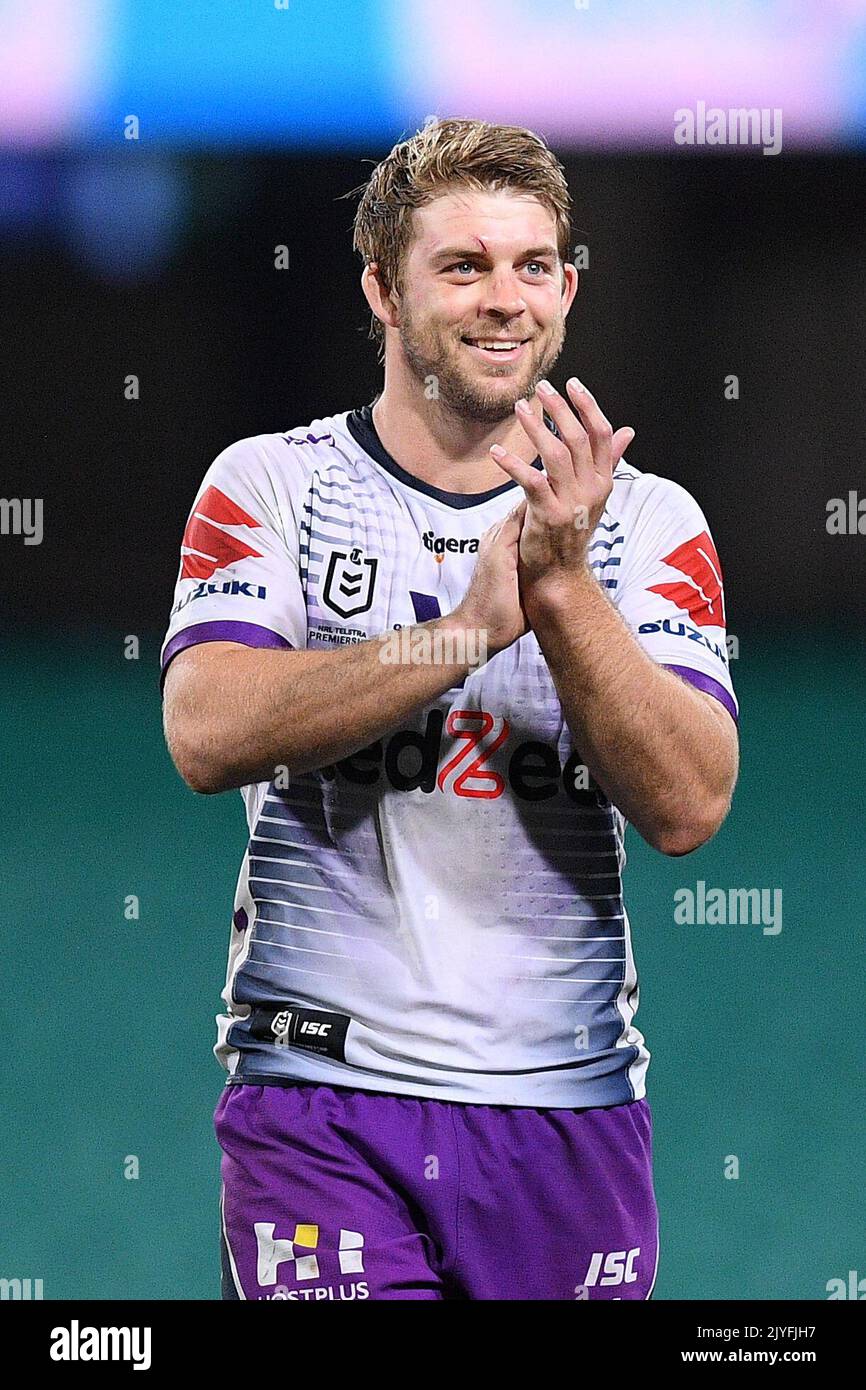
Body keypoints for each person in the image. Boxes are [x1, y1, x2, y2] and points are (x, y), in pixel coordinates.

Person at [161, 116, 739, 1301]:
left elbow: (687, 804)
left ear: (569, 286)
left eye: (533, 266)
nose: (504, 300)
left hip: (565, 1104)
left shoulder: (650, 523)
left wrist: (563, 593)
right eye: (462, 265)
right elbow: (206, 731)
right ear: (380, 287)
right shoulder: (273, 482)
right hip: (319, 1095)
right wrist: (461, 632)